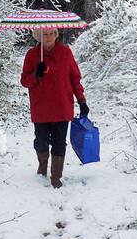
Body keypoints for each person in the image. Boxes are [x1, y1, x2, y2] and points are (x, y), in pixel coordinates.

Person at [19, 25, 89, 189]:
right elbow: (24, 81)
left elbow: (74, 78)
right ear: (38, 36)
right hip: (40, 107)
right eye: (45, 34)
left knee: (59, 142)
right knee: (41, 142)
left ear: (56, 34)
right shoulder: (32, 55)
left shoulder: (65, 53)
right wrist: (36, 73)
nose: (49, 36)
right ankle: (42, 165)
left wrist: (81, 100)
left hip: (62, 106)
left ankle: (56, 177)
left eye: (52, 33)